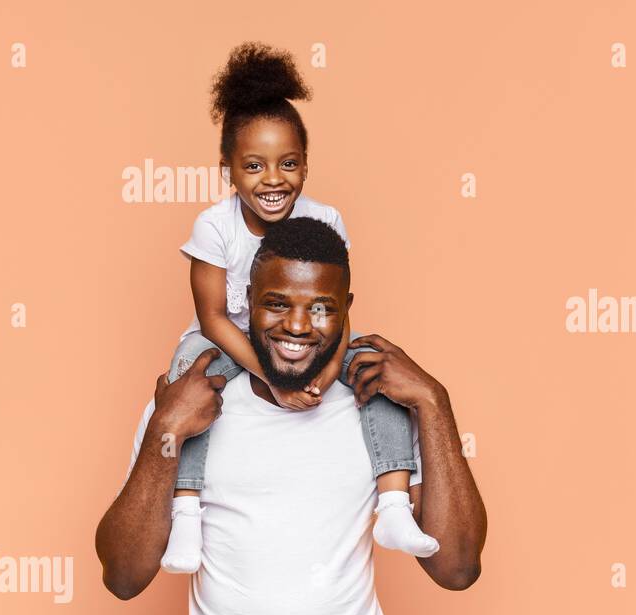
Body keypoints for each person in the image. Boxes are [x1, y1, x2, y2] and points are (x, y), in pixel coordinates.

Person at [95, 217, 488, 615]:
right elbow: (123, 578)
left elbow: (457, 569)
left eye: (320, 308)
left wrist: (434, 401)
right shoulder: (190, 398)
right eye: (277, 303)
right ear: (249, 300)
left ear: (346, 309)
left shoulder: (377, 403)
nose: (297, 327)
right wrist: (167, 427)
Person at [162, 42, 438, 574]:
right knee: (186, 374)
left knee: (374, 367)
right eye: (254, 165)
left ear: (306, 166)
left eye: (288, 163)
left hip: (304, 340)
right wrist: (274, 376)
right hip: (229, 340)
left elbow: (336, 310)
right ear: (228, 170)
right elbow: (214, 317)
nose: (273, 179)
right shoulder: (214, 228)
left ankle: (395, 503)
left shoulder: (325, 218)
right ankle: (187, 510)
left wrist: (329, 369)